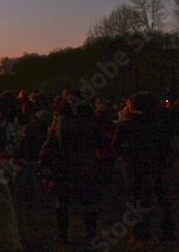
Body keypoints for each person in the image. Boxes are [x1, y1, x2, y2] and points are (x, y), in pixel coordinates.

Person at [40, 91, 105, 244]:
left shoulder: (59, 120)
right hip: (85, 164)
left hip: (64, 165)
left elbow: (51, 144)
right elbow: (99, 141)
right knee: (87, 201)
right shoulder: (90, 119)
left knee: (63, 200)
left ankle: (63, 236)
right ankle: (91, 235)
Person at [112, 92, 174, 242]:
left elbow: (115, 146)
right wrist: (161, 159)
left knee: (137, 198)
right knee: (160, 198)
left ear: (132, 105)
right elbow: (166, 146)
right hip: (154, 165)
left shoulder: (126, 124)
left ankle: (141, 233)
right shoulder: (157, 123)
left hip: (134, 165)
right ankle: (167, 231)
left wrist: (126, 155)